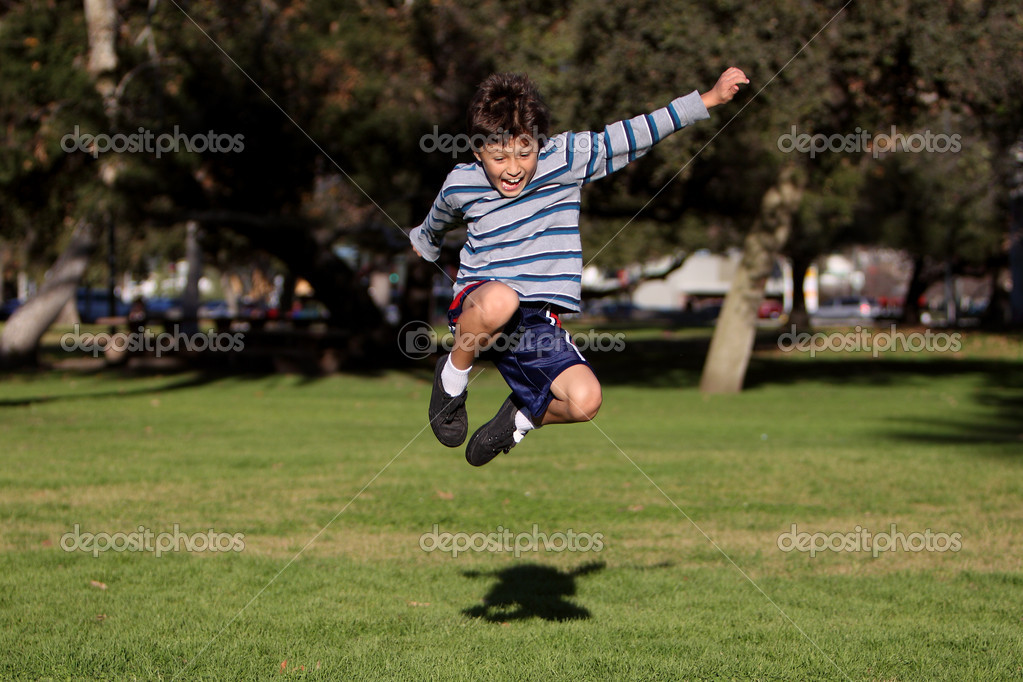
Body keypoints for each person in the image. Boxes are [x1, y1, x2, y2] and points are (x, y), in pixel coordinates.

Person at [410, 68, 749, 466]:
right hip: (480, 304)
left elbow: (632, 133)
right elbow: (435, 222)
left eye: (525, 153)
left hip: (535, 323)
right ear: (478, 150)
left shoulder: (566, 158)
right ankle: (451, 380)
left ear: (541, 143)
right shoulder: (461, 183)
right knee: (501, 299)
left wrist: (706, 99)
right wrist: (424, 243)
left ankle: (519, 417)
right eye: (499, 157)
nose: (513, 168)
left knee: (585, 402)